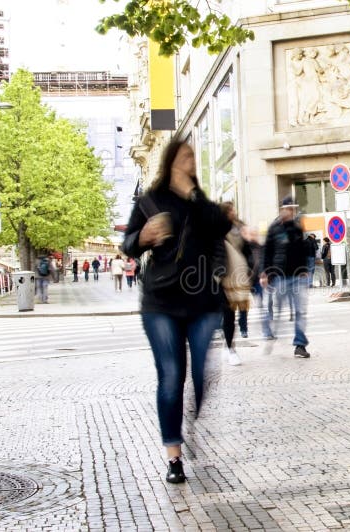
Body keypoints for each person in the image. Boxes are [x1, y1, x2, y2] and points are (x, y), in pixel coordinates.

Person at [122, 139, 230, 484]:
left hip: (202, 299)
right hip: (161, 302)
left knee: (200, 373)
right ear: (170, 163)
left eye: (193, 158)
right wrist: (142, 237)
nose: (191, 163)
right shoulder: (150, 201)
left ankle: (191, 419)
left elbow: (221, 228)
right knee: (171, 376)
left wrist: (194, 196)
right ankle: (174, 456)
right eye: (185, 157)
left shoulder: (202, 204)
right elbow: (128, 245)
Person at [262, 195, 313, 358]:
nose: (290, 211)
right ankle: (271, 335)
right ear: (281, 209)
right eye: (287, 208)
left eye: (292, 209)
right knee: (278, 310)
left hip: (298, 276)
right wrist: (265, 273)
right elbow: (267, 252)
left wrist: (305, 268)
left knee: (300, 311)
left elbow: (302, 248)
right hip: (281, 276)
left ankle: (300, 345)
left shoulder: (296, 226)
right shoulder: (274, 228)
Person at [219, 202, 253, 366]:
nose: (234, 212)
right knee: (228, 313)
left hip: (240, 274)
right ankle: (230, 348)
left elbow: (248, 249)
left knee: (241, 309)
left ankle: (228, 343)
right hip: (223, 276)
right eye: (231, 210)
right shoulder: (217, 228)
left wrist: (251, 267)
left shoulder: (239, 227)